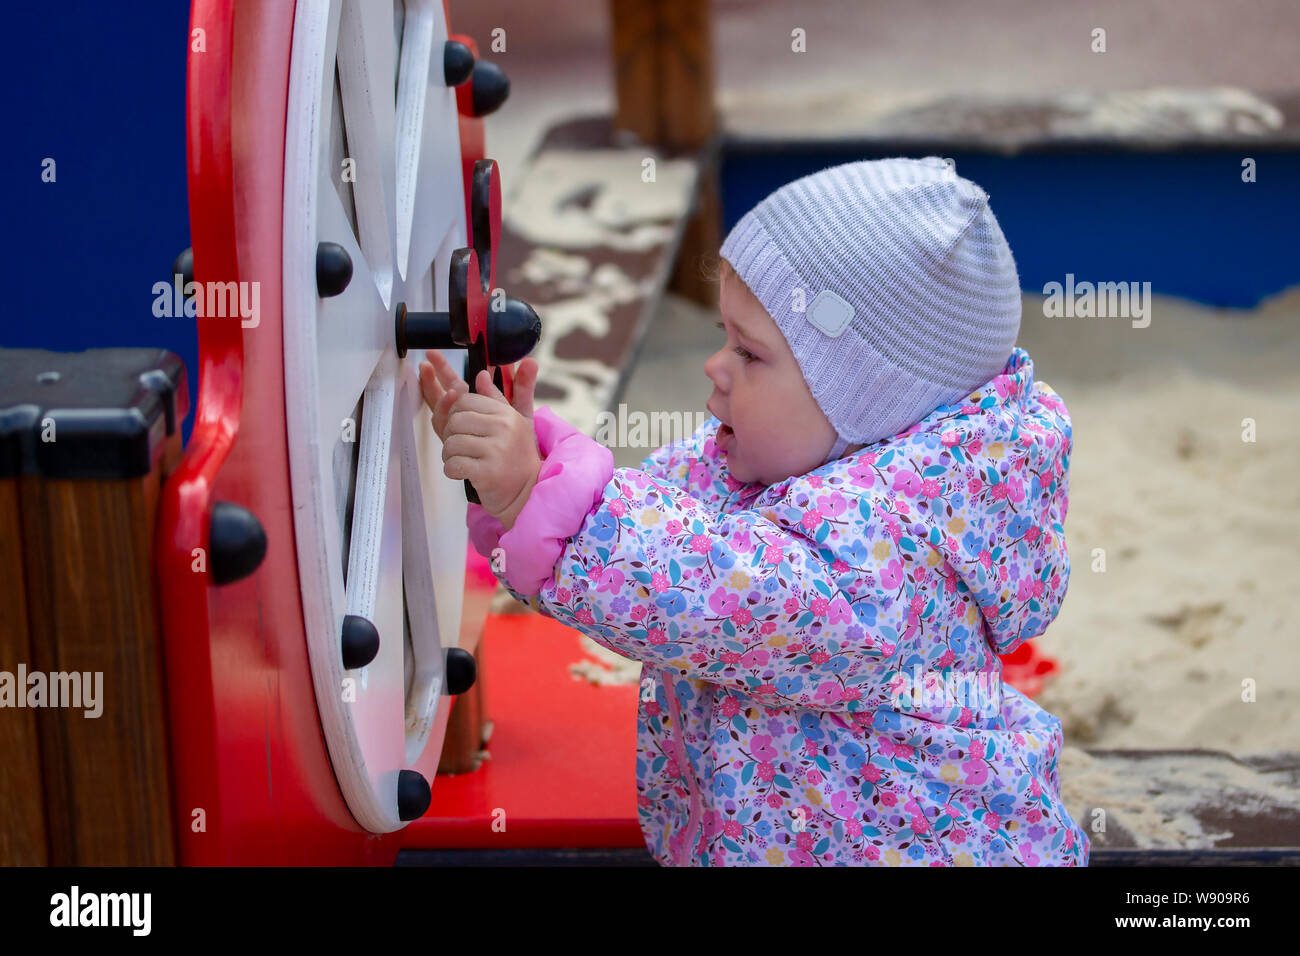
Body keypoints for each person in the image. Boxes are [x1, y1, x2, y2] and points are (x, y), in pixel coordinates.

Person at [419, 156, 1088, 866]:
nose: (716, 365)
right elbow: (662, 523)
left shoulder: (873, 559)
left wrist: (533, 497)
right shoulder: (776, 463)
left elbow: (712, 592)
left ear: (864, 401)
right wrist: (536, 481)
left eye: (751, 352)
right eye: (722, 334)